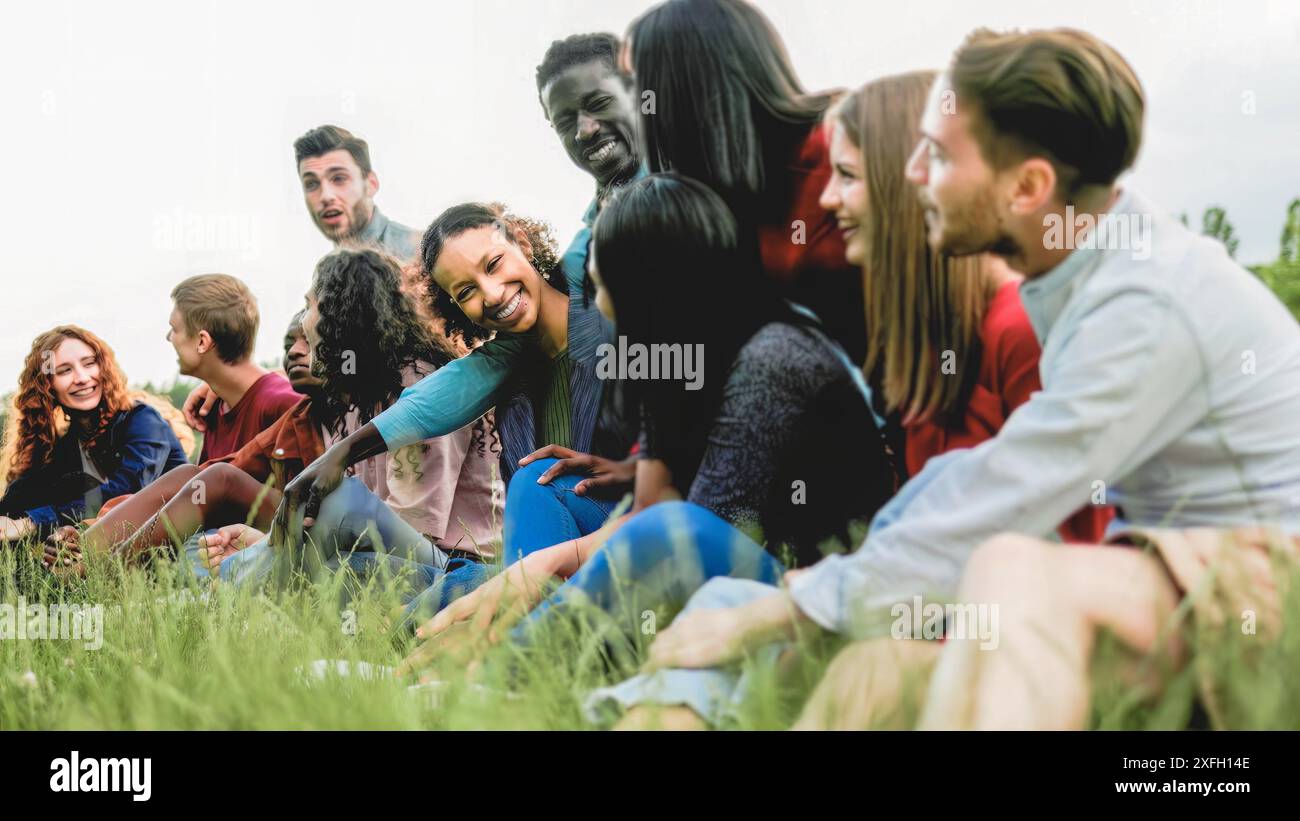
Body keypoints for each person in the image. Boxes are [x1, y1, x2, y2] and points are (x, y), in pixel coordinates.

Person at [587, 27, 1300, 731]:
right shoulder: (1080, 284)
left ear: (1028, 186)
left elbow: (1006, 495)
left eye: (936, 155)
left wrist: (789, 604)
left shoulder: (1142, 303)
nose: (914, 175)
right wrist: (805, 598)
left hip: (1261, 587)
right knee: (875, 670)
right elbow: (962, 488)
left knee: (1011, 571)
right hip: (1179, 582)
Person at [397, 173, 898, 675]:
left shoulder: (771, 359)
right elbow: (659, 496)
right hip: (702, 573)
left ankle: (497, 672)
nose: (594, 306)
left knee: (654, 536)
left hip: (802, 598)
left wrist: (549, 562)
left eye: (603, 283)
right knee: (539, 480)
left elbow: (692, 525)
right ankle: (508, 655)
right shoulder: (659, 360)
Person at [263, 35, 657, 533]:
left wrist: (644, 468)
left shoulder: (691, 202)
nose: (585, 129)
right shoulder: (562, 286)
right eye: (464, 291)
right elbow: (466, 379)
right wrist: (342, 452)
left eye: (599, 103)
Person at [819, 71, 1110, 543]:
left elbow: (1079, 549)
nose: (826, 198)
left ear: (909, 183)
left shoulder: (1022, 330)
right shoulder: (927, 344)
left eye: (847, 176)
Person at [212, 249, 502, 594]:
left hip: (457, 568)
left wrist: (282, 548)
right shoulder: (358, 399)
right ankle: (218, 589)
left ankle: (213, 595)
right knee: (336, 568)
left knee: (336, 510)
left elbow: (406, 523)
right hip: (400, 557)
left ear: (340, 314)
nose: (305, 322)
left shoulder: (420, 382)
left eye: (310, 306)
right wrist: (265, 544)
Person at [625, 0, 865, 362]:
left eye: (639, 83)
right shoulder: (715, 195)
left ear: (683, 83)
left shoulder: (842, 143)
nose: (636, 104)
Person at [185, 125, 424, 430]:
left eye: (339, 179)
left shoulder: (419, 252)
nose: (325, 196)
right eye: (311, 184)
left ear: (371, 183)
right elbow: (313, 359)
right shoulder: (327, 277)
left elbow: (445, 356)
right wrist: (232, 383)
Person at [48, 311, 329, 571]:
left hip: (324, 521)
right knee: (194, 474)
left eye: (307, 340)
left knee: (218, 478)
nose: (294, 351)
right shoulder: (300, 415)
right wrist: (93, 525)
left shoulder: (312, 403)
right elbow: (229, 465)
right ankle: (84, 549)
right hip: (288, 514)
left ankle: (105, 571)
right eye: (289, 343)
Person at [0, 326, 187, 542]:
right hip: (118, 550)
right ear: (47, 386)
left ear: (104, 368)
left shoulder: (142, 419)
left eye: (89, 363)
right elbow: (27, 492)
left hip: (178, 542)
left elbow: (128, 490)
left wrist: (31, 523)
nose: (81, 377)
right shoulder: (70, 443)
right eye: (64, 371)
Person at [168, 274, 300, 461]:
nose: (169, 337)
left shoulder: (284, 404)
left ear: (202, 341)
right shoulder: (216, 407)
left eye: (174, 329)